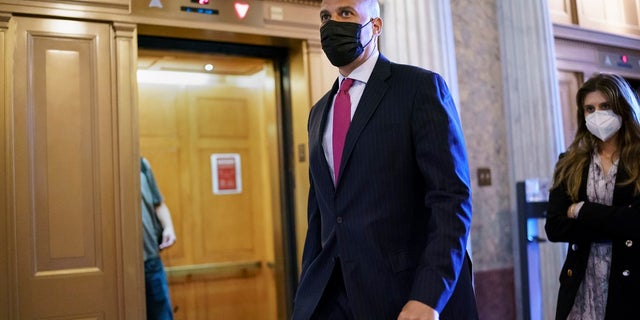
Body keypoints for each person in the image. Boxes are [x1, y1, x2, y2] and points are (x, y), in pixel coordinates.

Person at [291, 0, 478, 319]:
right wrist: (306, 294)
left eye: (345, 13)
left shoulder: (419, 88)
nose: (332, 23)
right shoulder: (318, 112)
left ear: (375, 26)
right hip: (331, 296)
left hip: (403, 294)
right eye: (325, 16)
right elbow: (320, 213)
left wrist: (428, 296)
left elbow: (451, 199)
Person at [545, 73, 640, 320]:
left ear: (623, 107)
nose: (597, 114)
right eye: (590, 108)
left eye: (605, 106)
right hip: (580, 288)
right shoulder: (569, 162)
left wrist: (580, 210)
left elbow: (637, 223)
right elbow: (554, 227)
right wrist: (619, 222)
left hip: (629, 287)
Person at [141, 157, 177, 320]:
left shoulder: (140, 164)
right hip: (119, 270)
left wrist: (168, 227)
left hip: (151, 262)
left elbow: (159, 204)